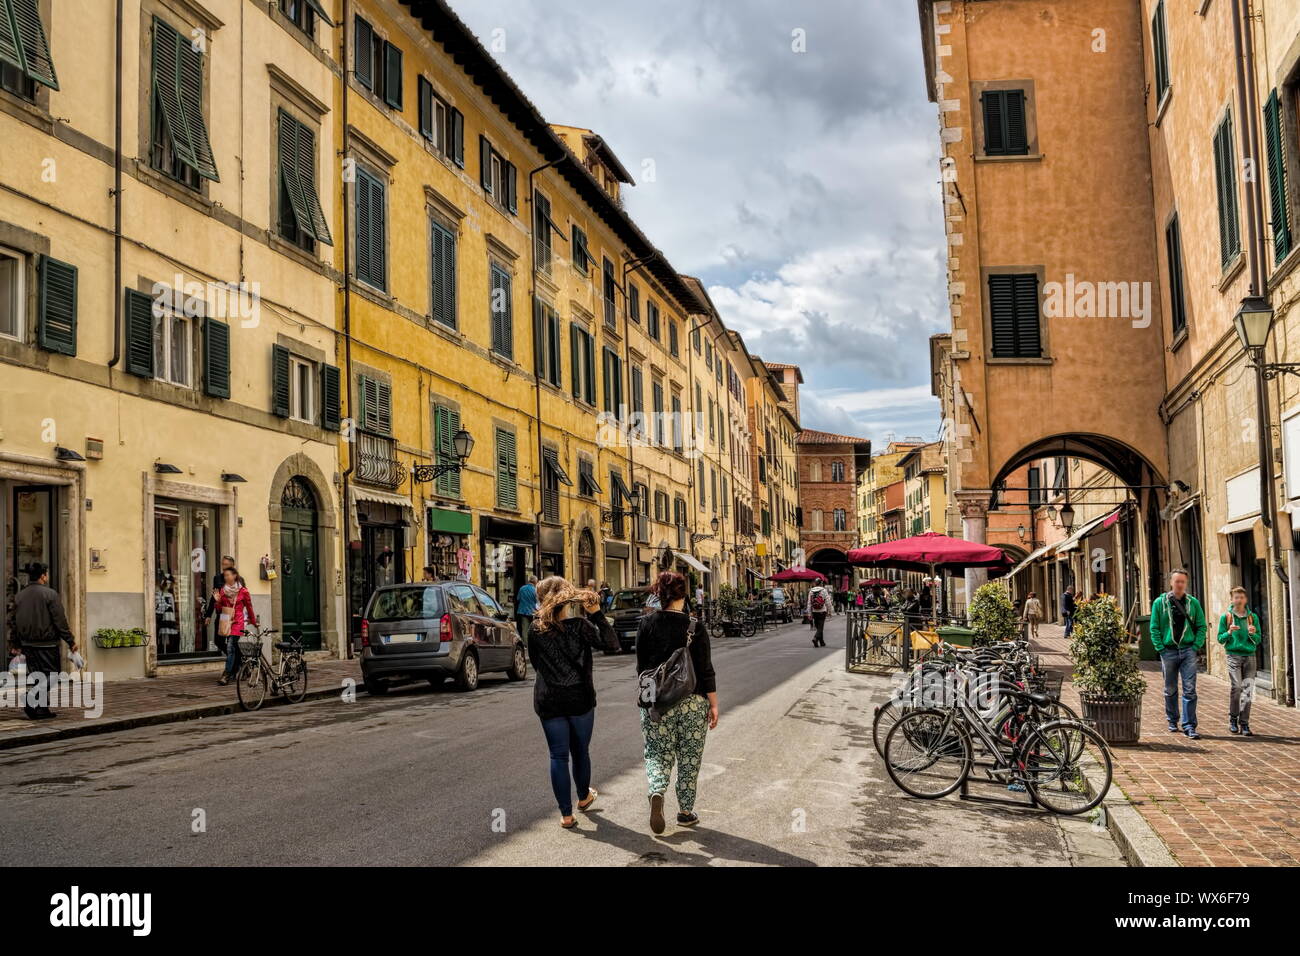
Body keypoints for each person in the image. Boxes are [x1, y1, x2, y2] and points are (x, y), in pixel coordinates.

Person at [527, 576, 617, 829]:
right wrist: (597, 613)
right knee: (580, 752)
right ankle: (584, 796)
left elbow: (536, 664)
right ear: (568, 598)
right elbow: (612, 644)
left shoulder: (535, 629)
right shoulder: (580, 626)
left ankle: (566, 815)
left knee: (558, 756)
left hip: (549, 699)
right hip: (580, 698)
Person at [636, 571, 717, 833]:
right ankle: (684, 811)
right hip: (693, 700)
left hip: (657, 701)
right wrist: (713, 704)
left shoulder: (646, 624)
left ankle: (657, 790)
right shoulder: (695, 627)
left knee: (657, 752)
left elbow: (641, 668)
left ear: (658, 593)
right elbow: (706, 670)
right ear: (684, 594)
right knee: (689, 757)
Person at [12, 562, 77, 719]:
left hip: (28, 644)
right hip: (46, 644)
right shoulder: (50, 594)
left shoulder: (20, 595)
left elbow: (14, 621)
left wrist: (15, 644)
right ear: (43, 576)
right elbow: (60, 621)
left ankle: (41, 710)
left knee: (38, 677)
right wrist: (70, 641)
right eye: (46, 574)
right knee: (52, 676)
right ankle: (30, 699)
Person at [1149, 569, 1207, 739]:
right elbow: (1154, 627)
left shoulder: (1193, 603)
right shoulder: (1160, 603)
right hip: (1168, 651)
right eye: (1177, 581)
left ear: (1186, 583)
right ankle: (1172, 720)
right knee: (1170, 688)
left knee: (1190, 689)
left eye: (1183, 581)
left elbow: (1201, 626)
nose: (1180, 584)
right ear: (1171, 583)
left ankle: (1189, 725)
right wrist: (1160, 648)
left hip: (1188, 650)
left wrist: (1196, 645)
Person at [1217, 586, 1261, 736]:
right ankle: (1233, 719)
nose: (1239, 600)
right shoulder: (1226, 617)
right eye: (1236, 597)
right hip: (1233, 655)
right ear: (1232, 599)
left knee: (1248, 690)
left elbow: (1259, 639)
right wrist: (1229, 632)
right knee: (1236, 687)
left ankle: (1245, 724)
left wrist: (1253, 634)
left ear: (1245, 599)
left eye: (1242, 597)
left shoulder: (1252, 617)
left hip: (1250, 656)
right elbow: (1220, 638)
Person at [213, 566, 257, 686]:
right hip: (227, 620)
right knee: (233, 647)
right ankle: (244, 665)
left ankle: (226, 674)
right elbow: (219, 609)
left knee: (230, 646)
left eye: (228, 575)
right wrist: (217, 601)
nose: (226, 577)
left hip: (238, 622)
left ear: (234, 576)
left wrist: (253, 621)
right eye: (225, 575)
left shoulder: (243, 591)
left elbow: (249, 607)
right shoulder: (223, 590)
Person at [806, 581, 832, 647]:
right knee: (820, 628)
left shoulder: (811, 591)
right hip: (822, 611)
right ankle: (815, 638)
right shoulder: (824, 590)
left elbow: (809, 603)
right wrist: (830, 611)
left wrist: (809, 613)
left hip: (814, 611)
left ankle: (821, 642)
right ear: (821, 584)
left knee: (819, 627)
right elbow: (828, 602)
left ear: (815, 583)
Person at [515, 575, 538, 646]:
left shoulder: (522, 588)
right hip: (532, 612)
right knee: (533, 629)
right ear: (535, 582)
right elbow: (537, 601)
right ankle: (532, 644)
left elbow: (518, 598)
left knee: (524, 629)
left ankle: (525, 644)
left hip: (522, 611)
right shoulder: (535, 590)